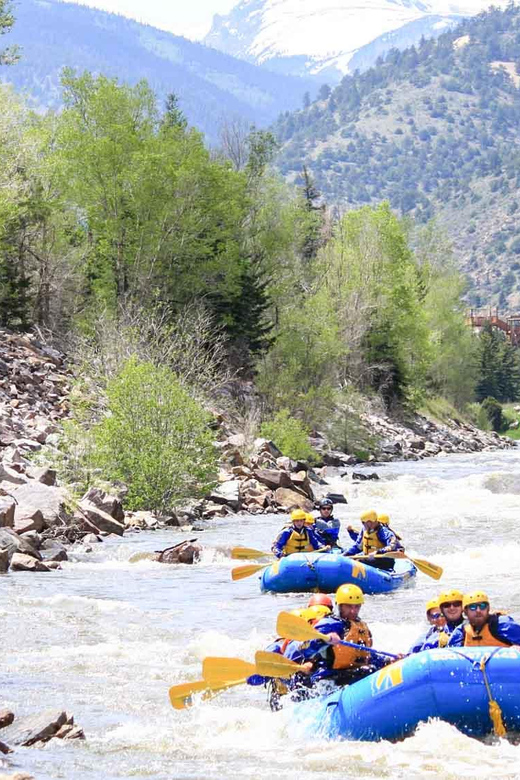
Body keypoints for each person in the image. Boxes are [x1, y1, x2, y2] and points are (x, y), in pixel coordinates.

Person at [299, 584, 387, 686]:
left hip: (353, 673)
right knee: (368, 670)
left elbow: (364, 655)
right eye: (348, 606)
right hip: (328, 678)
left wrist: (386, 661)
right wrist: (323, 640)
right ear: (339, 605)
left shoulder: (361, 626)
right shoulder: (330, 624)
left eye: (357, 606)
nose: (353, 611)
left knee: (373, 668)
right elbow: (304, 649)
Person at [448, 591, 520, 647]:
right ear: (465, 611)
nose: (478, 610)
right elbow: (451, 652)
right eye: (473, 607)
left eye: (482, 606)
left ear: (488, 609)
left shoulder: (503, 624)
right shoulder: (461, 630)